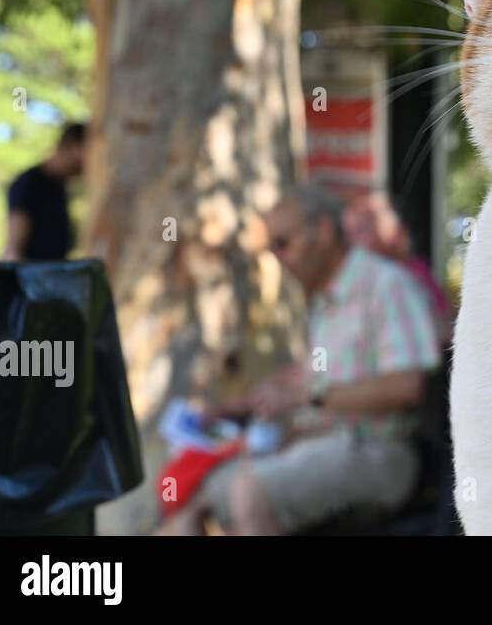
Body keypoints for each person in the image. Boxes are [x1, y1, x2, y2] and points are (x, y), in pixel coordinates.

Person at [165, 185, 441, 535]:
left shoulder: (387, 285)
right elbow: (310, 375)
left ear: (323, 231)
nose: (278, 258)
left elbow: (406, 385)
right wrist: (229, 410)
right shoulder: (323, 302)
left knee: (250, 492)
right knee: (197, 488)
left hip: (381, 451)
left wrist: (310, 397)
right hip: (325, 438)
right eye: (271, 249)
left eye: (283, 243)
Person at [342, 191, 453, 345]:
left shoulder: (413, 272)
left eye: (362, 229)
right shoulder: (349, 279)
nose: (351, 242)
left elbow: (445, 329)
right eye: (348, 234)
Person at [4, 122, 87, 261]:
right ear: (69, 146)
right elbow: (13, 249)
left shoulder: (59, 186)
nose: (82, 169)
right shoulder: (29, 182)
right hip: (34, 275)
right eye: (79, 164)